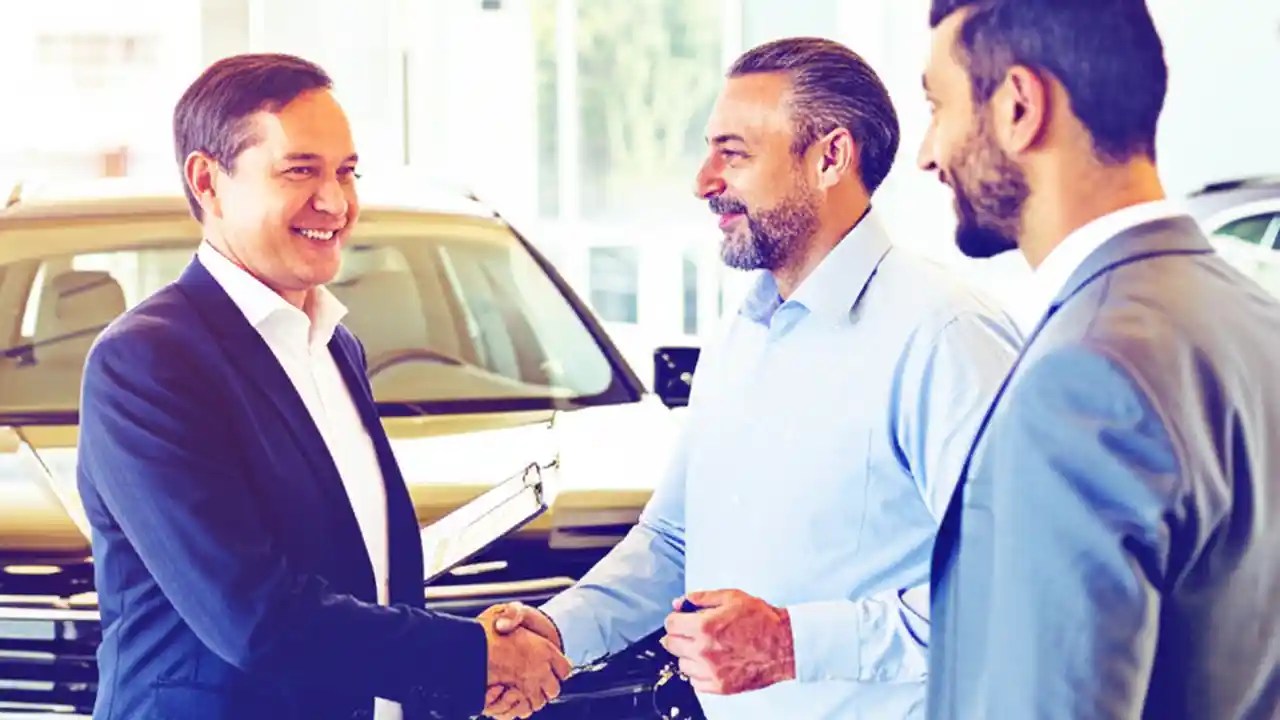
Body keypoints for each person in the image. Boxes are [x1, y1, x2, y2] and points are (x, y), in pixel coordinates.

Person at [483, 37, 1021, 720]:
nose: (704, 180)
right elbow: (675, 543)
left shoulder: (944, 336)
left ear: (830, 157)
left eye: (733, 153)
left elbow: (1010, 593)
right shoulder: (746, 328)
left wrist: (794, 644)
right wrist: (556, 633)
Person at [75, 53, 568, 720]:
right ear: (208, 181)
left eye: (345, 172)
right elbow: (255, 616)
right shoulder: (146, 362)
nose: (335, 202)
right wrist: (472, 658)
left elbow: (363, 580)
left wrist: (470, 656)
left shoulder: (336, 343)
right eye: (299, 170)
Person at [918, 2, 1280, 718]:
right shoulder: (1256, 318)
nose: (927, 152)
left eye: (937, 106)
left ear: (1020, 106)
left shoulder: (1080, 376)